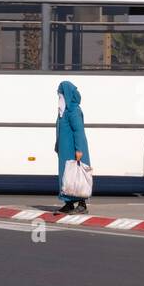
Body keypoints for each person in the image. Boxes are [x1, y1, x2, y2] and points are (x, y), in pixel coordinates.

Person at [54, 80, 91, 213]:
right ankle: (68, 203)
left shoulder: (74, 110)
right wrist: (57, 145)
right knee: (66, 176)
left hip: (74, 150)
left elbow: (78, 131)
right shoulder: (63, 111)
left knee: (77, 176)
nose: (59, 97)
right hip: (65, 150)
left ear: (67, 94)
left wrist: (79, 149)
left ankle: (82, 205)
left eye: (61, 94)